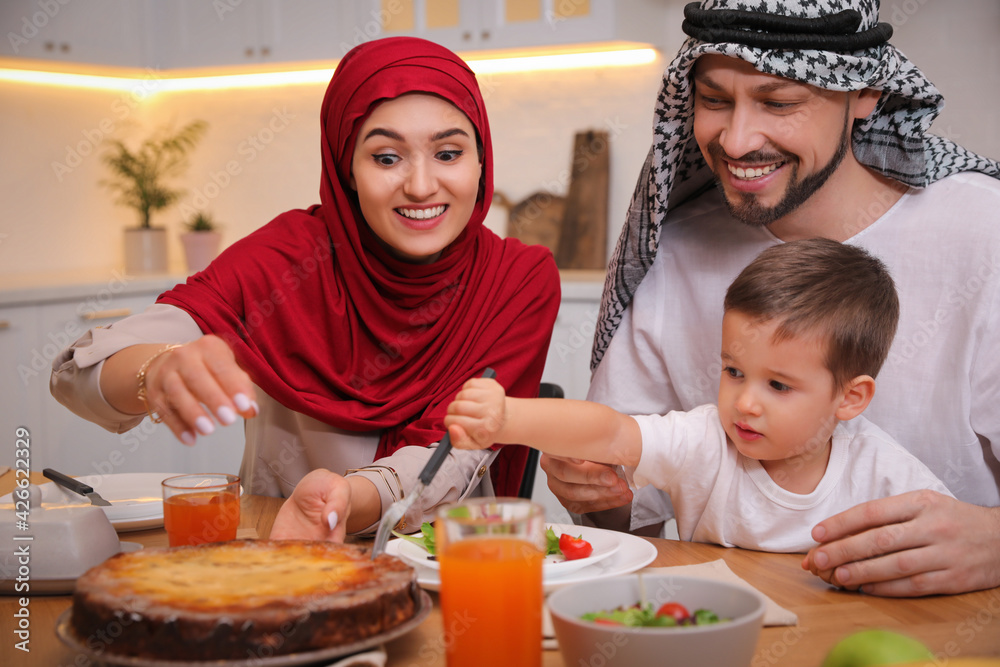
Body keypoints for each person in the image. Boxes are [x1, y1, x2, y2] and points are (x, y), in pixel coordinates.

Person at [545, 0, 1000, 596]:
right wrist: (594, 493)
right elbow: (631, 520)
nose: (735, 140)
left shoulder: (982, 230)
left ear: (864, 91)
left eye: (779, 102)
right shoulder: (669, 248)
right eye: (714, 100)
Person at [50, 36, 561, 541]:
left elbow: (454, 453)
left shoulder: (517, 279)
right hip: (282, 558)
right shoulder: (288, 257)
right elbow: (76, 373)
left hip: (451, 566)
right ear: (347, 169)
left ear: (480, 161)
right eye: (387, 158)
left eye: (448, 153)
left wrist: (346, 500)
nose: (422, 185)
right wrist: (154, 369)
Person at [447, 239, 952, 552]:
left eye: (778, 385)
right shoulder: (704, 440)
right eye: (734, 371)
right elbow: (611, 431)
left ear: (851, 397)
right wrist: (507, 418)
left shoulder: (886, 471)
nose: (745, 403)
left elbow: (942, 539)